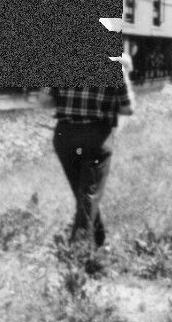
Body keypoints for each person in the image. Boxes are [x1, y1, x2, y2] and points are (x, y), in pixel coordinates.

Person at [51, 51, 136, 252]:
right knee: (89, 194)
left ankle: (99, 241)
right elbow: (128, 109)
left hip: (66, 136)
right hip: (96, 137)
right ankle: (77, 251)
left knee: (83, 194)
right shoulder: (116, 68)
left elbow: (44, 101)